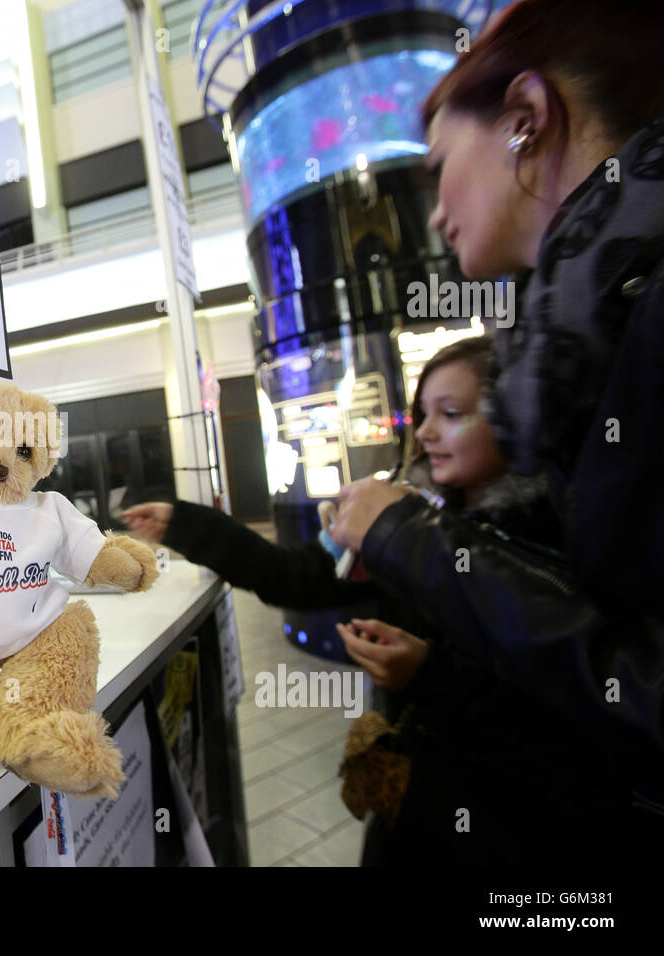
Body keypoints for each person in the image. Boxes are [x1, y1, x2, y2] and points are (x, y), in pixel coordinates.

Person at [328, 0, 664, 847]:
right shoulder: (588, 342)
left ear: (527, 118)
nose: (434, 213)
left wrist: (408, 536)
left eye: (438, 164)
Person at [125, 338, 614, 865]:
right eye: (423, 414)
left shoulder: (562, 542)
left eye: (452, 414)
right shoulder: (403, 519)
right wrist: (187, 523)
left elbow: (569, 704)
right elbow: (294, 576)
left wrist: (427, 673)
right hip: (414, 800)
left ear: (516, 420)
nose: (426, 433)